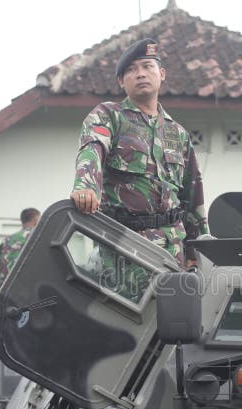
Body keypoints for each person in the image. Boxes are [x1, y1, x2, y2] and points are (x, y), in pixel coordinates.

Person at [70, 38, 208, 272]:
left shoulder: (178, 134)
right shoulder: (109, 116)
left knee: (175, 308)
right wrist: (85, 185)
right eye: (131, 70)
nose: (141, 74)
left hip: (172, 249)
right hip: (125, 245)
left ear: (161, 73)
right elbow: (93, 147)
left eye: (147, 66)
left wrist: (198, 249)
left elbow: (193, 192)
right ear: (121, 81)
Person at [0, 208, 40, 288]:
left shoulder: (7, 240)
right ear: (36, 220)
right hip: (28, 292)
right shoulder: (38, 238)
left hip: (4, 293)